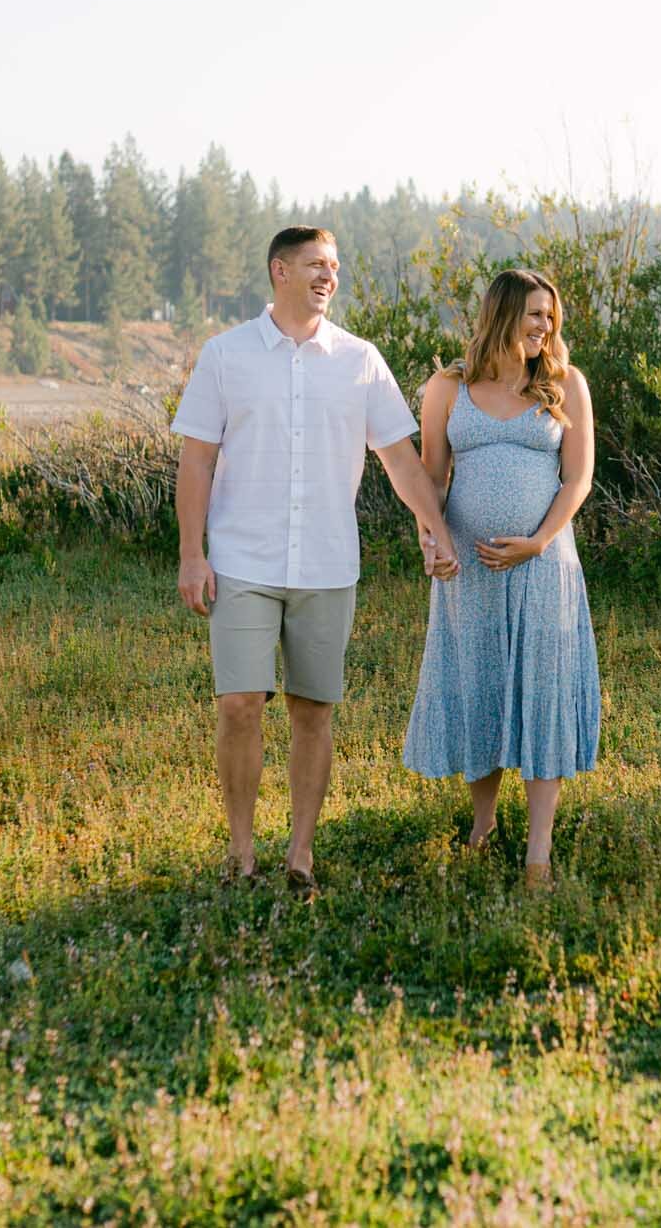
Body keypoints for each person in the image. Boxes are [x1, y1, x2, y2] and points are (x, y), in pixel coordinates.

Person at [171, 225, 460, 896]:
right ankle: (241, 854)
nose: (327, 276)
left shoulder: (360, 360)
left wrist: (435, 528)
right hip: (242, 558)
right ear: (279, 270)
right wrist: (192, 554)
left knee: (313, 710)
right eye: (313, 265)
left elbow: (399, 461)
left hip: (328, 564)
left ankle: (299, 854)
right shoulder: (225, 355)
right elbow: (197, 459)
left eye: (333, 266)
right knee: (240, 702)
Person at [402, 268, 600, 890]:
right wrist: (430, 541)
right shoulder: (448, 387)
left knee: (542, 693)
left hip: (544, 565)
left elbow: (578, 480)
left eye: (551, 316)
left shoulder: (566, 385)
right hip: (471, 569)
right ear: (502, 315)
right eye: (534, 314)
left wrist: (538, 542)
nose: (547, 327)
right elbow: (430, 481)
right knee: (479, 687)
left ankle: (538, 852)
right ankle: (482, 827)